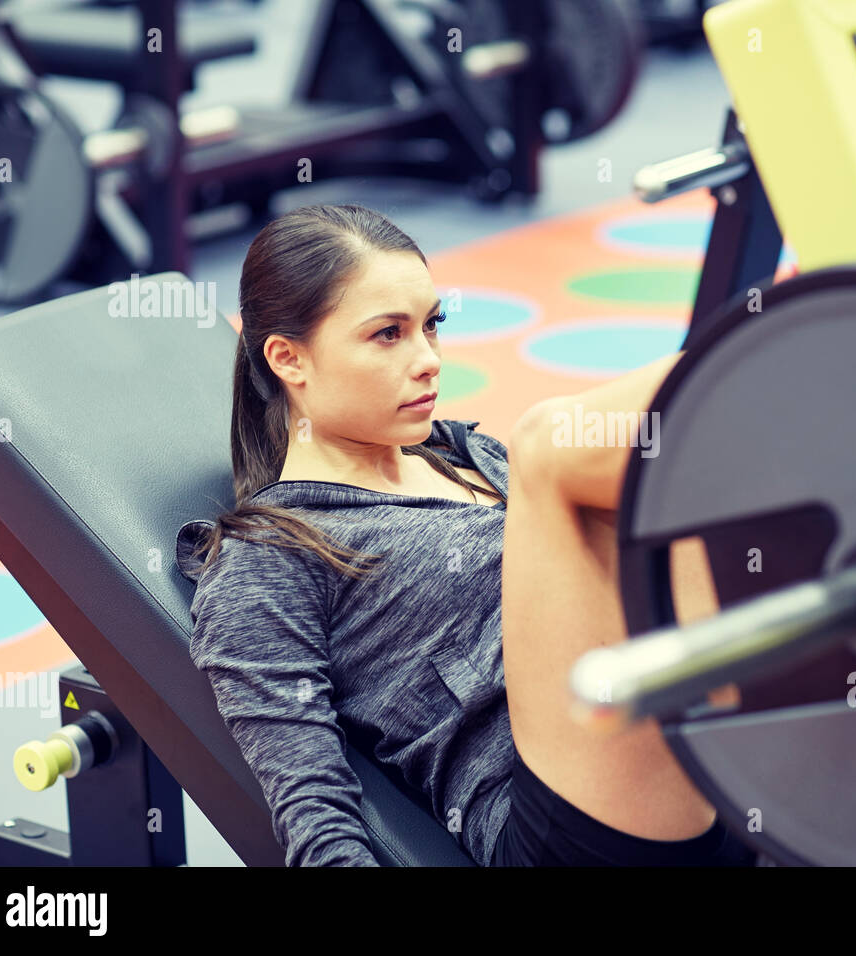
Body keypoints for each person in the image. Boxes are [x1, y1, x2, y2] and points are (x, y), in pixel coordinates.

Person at [175, 203, 757, 867]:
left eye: (431, 326)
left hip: (708, 763)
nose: (427, 360)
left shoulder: (469, 456)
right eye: (387, 335)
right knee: (567, 441)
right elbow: (311, 805)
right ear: (289, 358)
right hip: (562, 831)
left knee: (671, 467)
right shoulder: (268, 555)